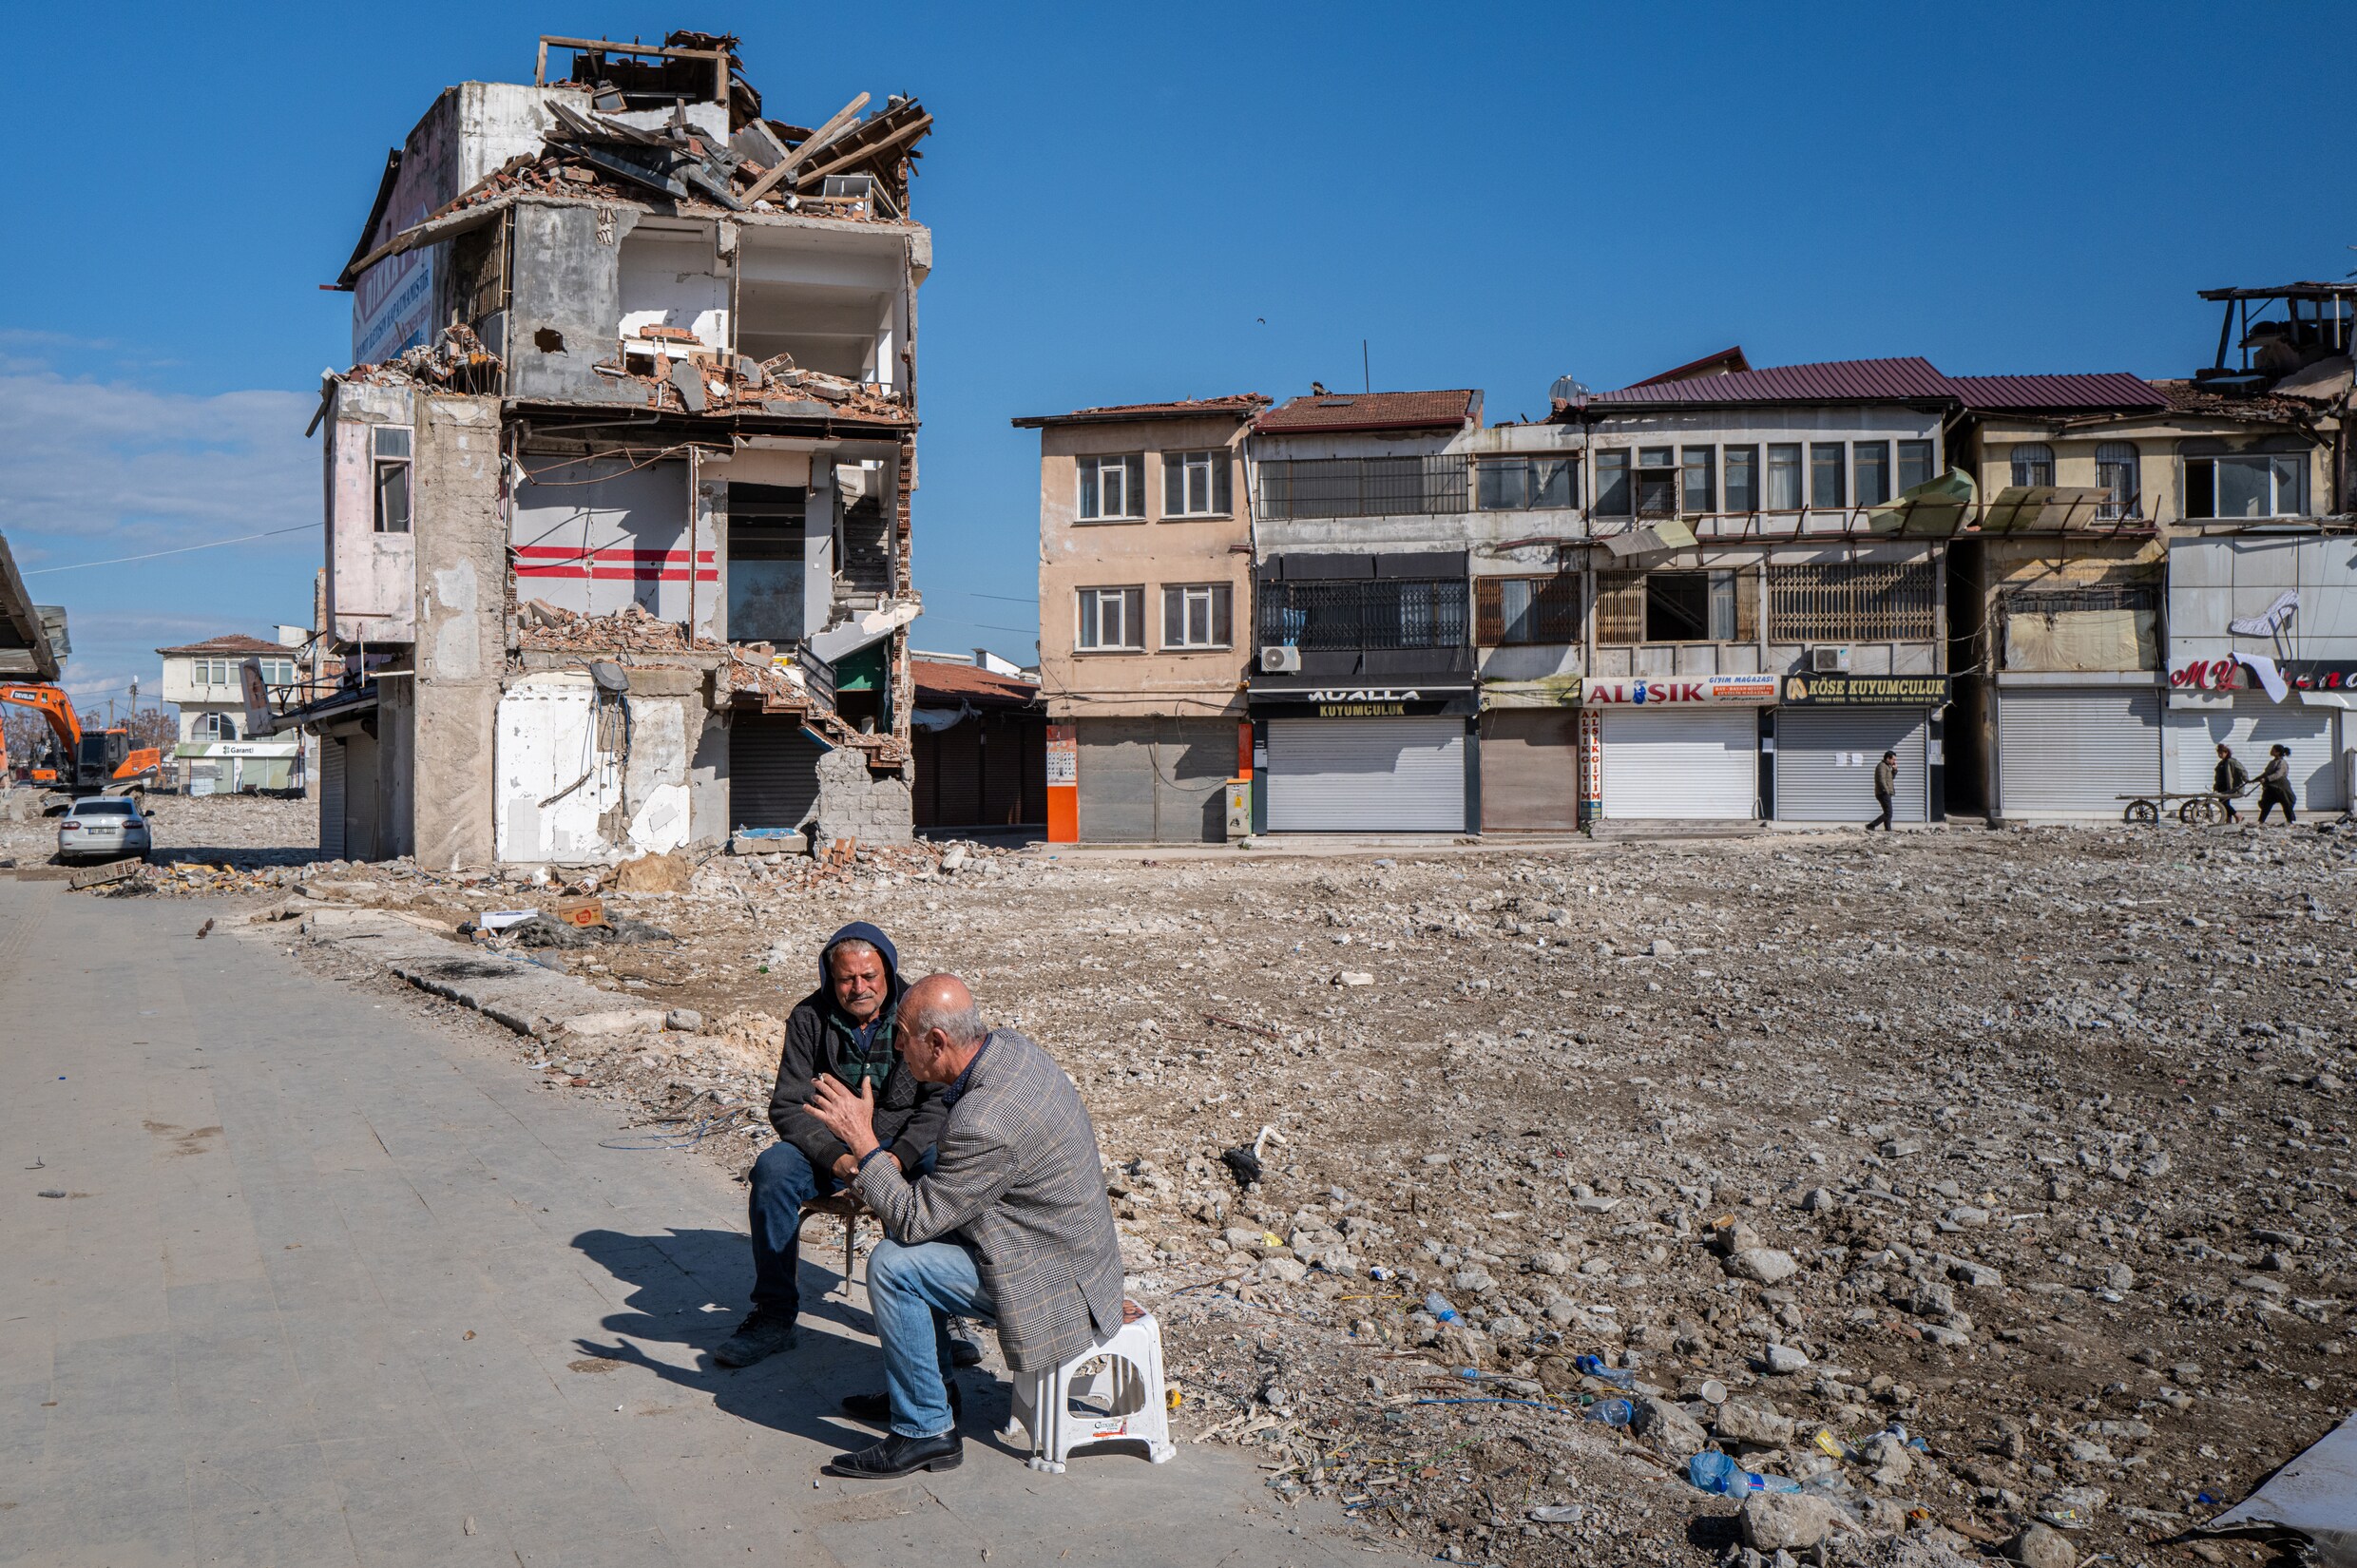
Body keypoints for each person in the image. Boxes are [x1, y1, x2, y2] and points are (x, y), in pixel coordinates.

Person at [804, 973, 1125, 1480]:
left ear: (937, 1042)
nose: (896, 1049)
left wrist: (862, 1142)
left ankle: (926, 1430)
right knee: (905, 1209)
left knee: (893, 1264)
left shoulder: (986, 1121)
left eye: (902, 1037)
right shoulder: (1011, 1049)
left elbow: (914, 1221)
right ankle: (934, 1389)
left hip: (1057, 1283)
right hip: (1066, 1248)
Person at [712, 923, 948, 1369]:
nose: (859, 988)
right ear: (830, 978)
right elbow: (786, 1106)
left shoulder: (918, 1012)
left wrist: (893, 1160)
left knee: (942, 1169)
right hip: (832, 1153)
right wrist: (840, 1161)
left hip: (900, 1149)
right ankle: (774, 1315)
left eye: (870, 977)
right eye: (846, 979)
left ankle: (940, 1317)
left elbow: (939, 1103)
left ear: (889, 972)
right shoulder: (809, 1018)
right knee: (773, 1171)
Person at [2255, 743, 2297, 825]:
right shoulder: (2272, 762)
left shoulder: (2282, 763)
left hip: (2281, 787)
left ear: (2277, 752)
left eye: (2273, 750)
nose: (2271, 751)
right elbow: (2266, 773)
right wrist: (2257, 779)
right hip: (2271, 787)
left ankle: (2290, 821)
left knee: (2286, 803)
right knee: (2266, 804)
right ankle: (2261, 821)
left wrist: (2266, 779)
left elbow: (2278, 774)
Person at [2213, 742, 2248, 823]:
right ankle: (2228, 820)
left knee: (2223, 803)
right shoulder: (2221, 763)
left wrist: (2245, 779)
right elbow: (2218, 776)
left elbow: (2242, 770)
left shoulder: (2231, 761)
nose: (2220, 755)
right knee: (2223, 803)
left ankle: (2238, 815)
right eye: (2219, 753)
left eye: (2221, 753)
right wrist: (2216, 785)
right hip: (2221, 786)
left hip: (2228, 786)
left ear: (2226, 753)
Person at [1865, 750, 1898, 831]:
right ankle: (1871, 825)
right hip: (1882, 792)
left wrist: (1894, 770)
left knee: (1888, 812)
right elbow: (1881, 779)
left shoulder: (1887, 767)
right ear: (1888, 759)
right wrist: (1886, 790)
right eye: (1893, 759)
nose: (1894, 761)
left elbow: (1890, 779)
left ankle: (1888, 829)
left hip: (1885, 792)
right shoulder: (1882, 766)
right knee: (1888, 812)